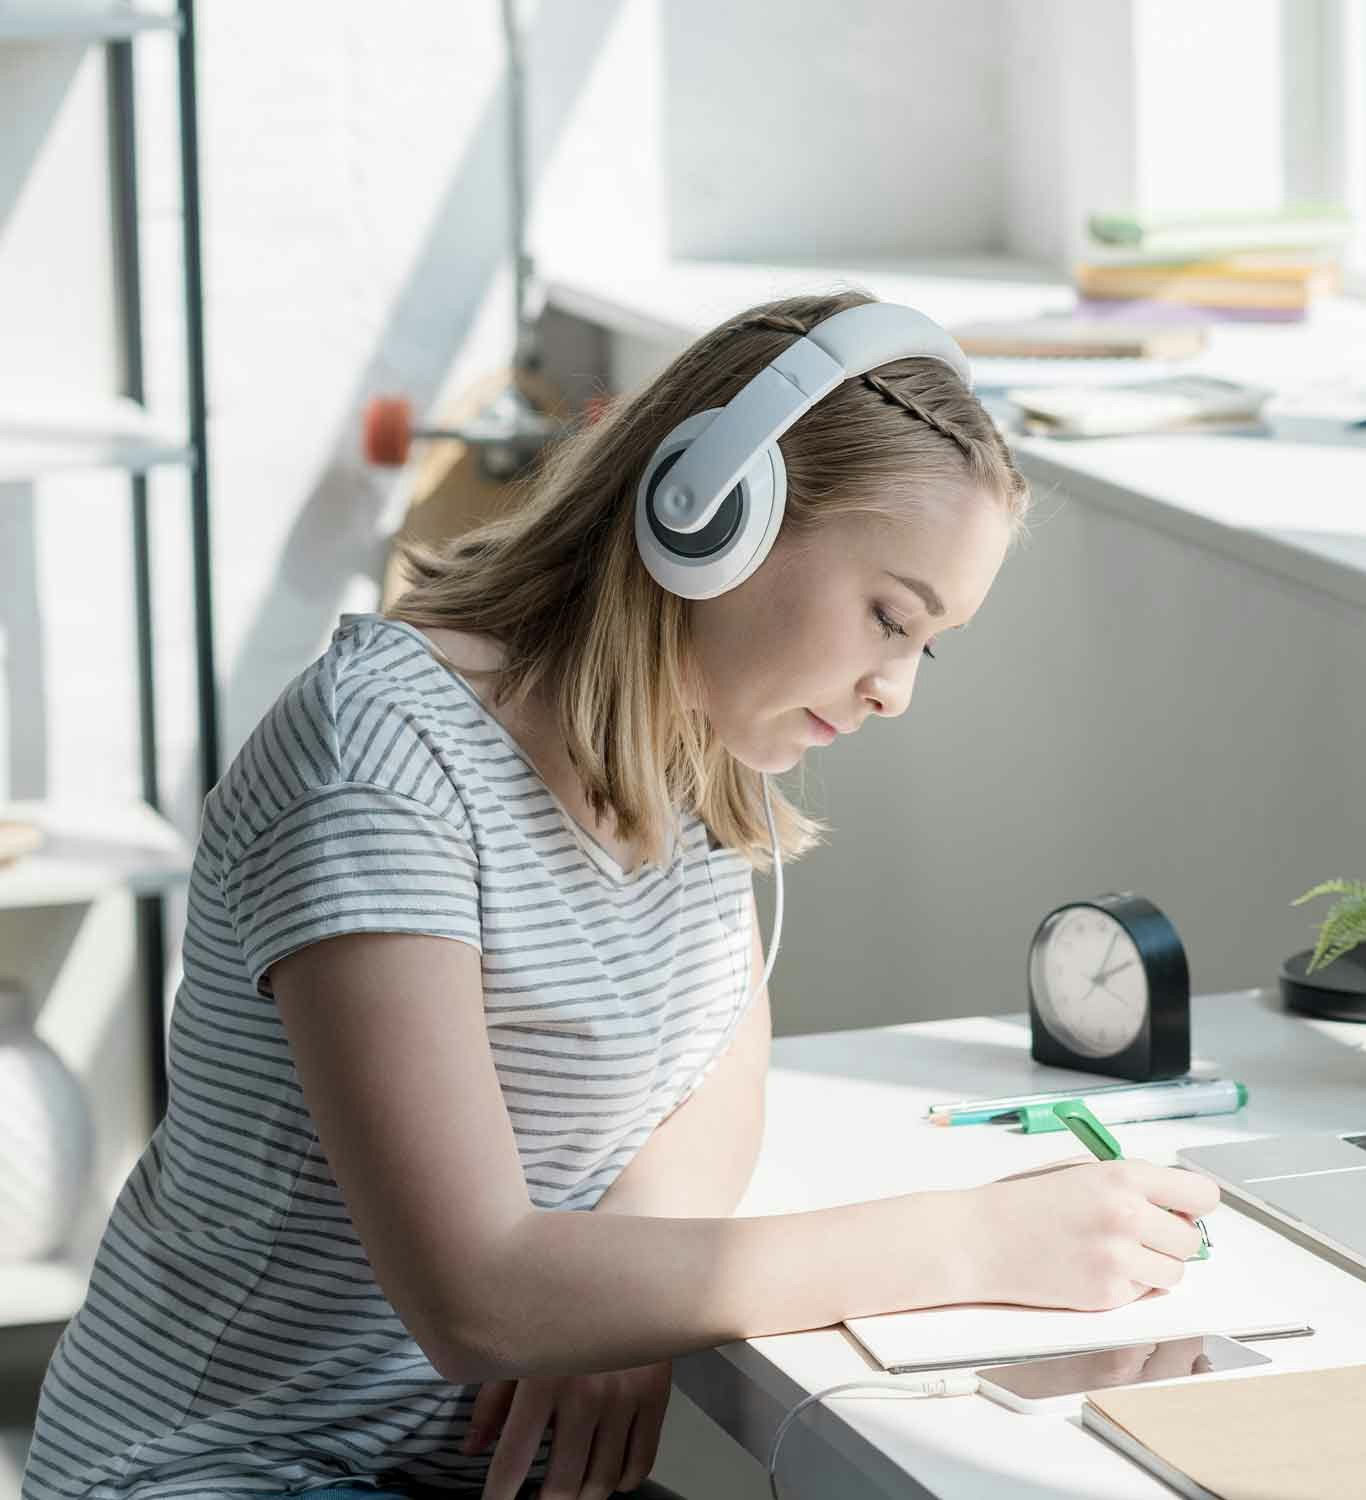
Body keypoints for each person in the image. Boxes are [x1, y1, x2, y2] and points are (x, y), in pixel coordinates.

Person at [25, 291, 1220, 1500]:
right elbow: (480, 1299)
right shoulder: (379, 769)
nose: (894, 690)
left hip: (475, 1475)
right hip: (226, 1472)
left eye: (927, 643)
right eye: (887, 618)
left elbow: (716, 1073)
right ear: (715, 517)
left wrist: (625, 1285)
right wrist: (974, 1242)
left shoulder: (694, 746)